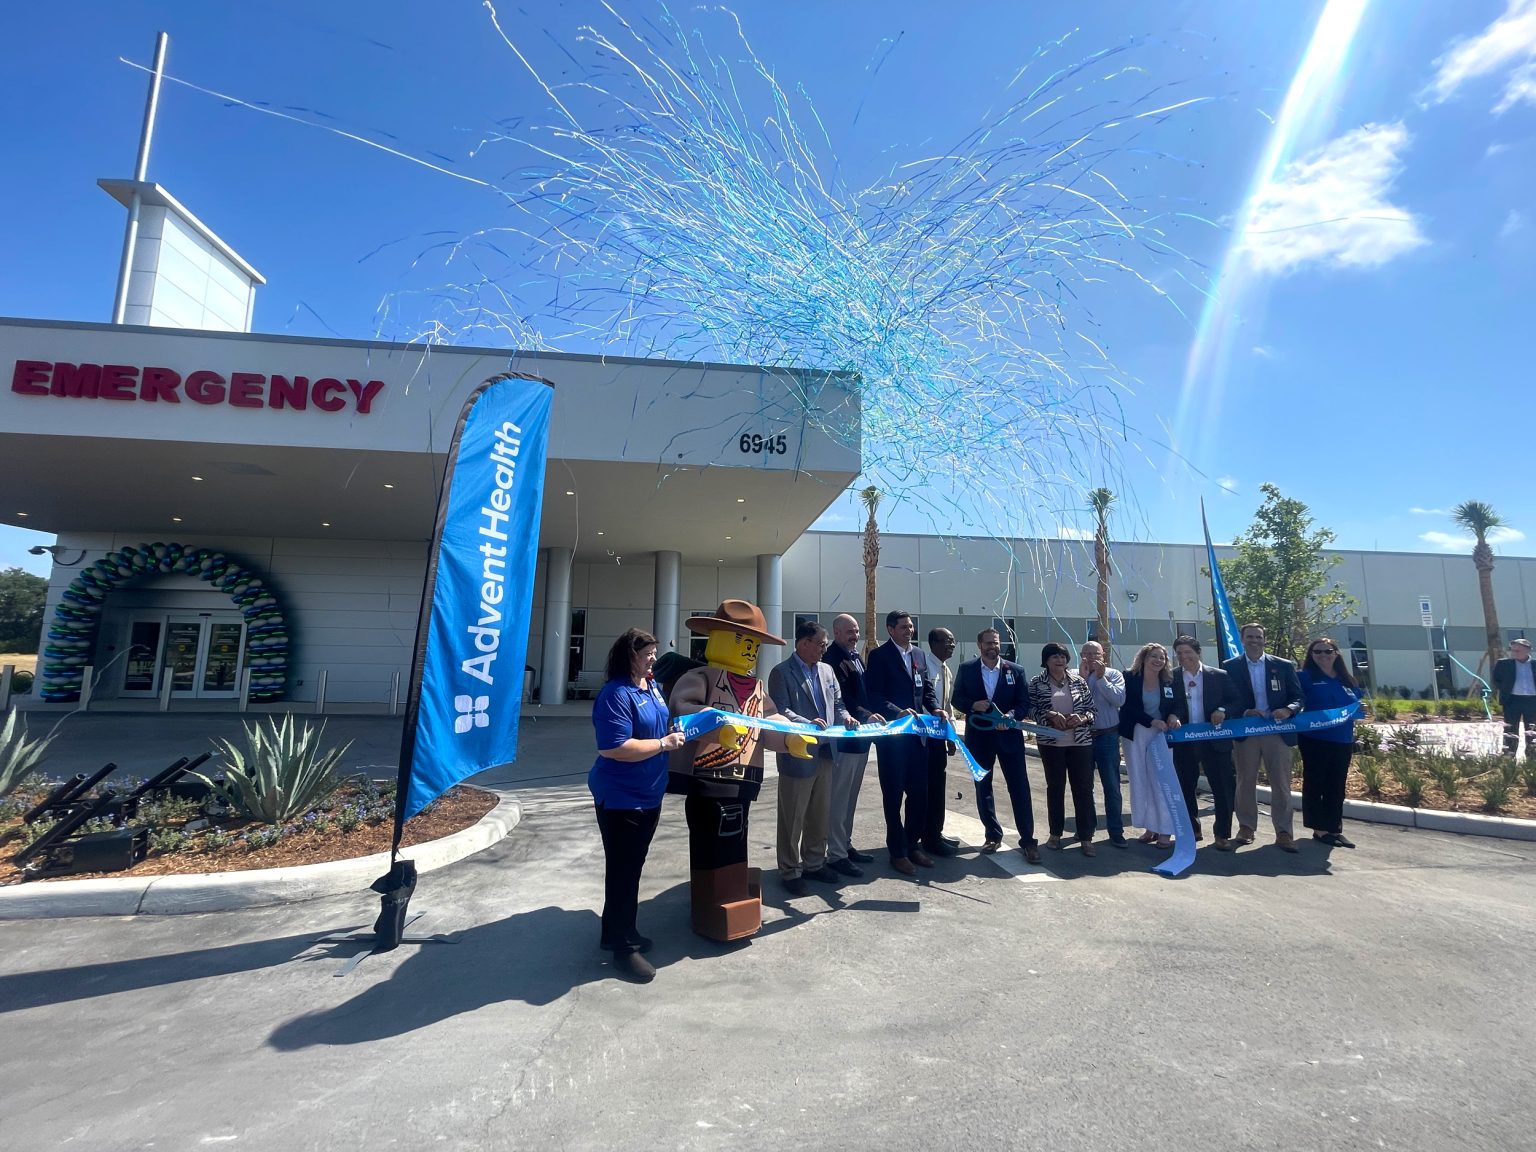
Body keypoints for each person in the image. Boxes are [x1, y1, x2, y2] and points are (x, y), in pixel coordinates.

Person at [667, 599, 815, 941]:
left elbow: (770, 720)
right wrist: (717, 727)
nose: (749, 650)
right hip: (707, 778)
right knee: (711, 841)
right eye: (741, 641)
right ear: (717, 638)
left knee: (736, 838)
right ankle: (710, 900)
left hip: (744, 778)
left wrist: (791, 740)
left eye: (753, 644)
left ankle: (732, 893)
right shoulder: (699, 677)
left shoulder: (758, 688)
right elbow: (682, 710)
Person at [589, 628, 687, 983]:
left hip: (649, 794)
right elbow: (613, 748)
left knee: (633, 866)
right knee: (623, 870)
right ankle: (620, 947)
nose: (654, 659)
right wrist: (663, 744)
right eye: (647, 653)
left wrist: (680, 729)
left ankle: (624, 930)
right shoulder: (615, 694)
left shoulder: (652, 687)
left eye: (655, 652)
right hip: (621, 798)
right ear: (629, 654)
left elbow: (661, 726)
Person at [767, 621, 855, 896]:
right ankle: (790, 870)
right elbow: (780, 710)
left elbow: (838, 704)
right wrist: (807, 723)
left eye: (825, 644)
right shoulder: (781, 672)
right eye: (820, 643)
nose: (824, 649)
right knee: (793, 815)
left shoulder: (828, 670)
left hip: (827, 751)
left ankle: (815, 863)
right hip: (798, 752)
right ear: (803, 643)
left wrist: (847, 718)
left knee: (819, 813)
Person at [951, 627, 1038, 862]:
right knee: (983, 787)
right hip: (979, 739)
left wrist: (1011, 716)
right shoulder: (967, 669)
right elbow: (956, 698)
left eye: (996, 642)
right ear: (979, 645)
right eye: (988, 643)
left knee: (1019, 787)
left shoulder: (1015, 670)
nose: (993, 646)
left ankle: (1028, 841)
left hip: (1009, 738)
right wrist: (972, 706)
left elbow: (1024, 702)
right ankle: (992, 834)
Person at [863, 609, 939, 875]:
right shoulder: (879, 656)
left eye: (911, 627)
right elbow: (875, 696)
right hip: (893, 741)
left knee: (919, 794)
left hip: (918, 738)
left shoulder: (918, 655)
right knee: (893, 796)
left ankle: (912, 844)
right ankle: (897, 852)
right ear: (890, 629)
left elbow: (926, 689)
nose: (909, 631)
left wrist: (936, 708)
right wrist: (897, 712)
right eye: (904, 627)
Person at [1222, 622, 1305, 853]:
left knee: (1281, 783)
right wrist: (1245, 712)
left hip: (1276, 732)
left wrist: (1288, 710)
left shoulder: (1283, 666)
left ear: (1264, 640)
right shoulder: (1230, 667)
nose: (1254, 640)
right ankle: (1246, 827)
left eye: (1258, 637)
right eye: (1250, 637)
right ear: (1242, 639)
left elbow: (1298, 697)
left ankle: (1284, 832)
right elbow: (1227, 699)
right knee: (1245, 781)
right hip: (1247, 732)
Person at [823, 613, 883, 877]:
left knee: (851, 797)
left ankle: (845, 845)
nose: (855, 635)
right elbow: (842, 699)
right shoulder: (832, 659)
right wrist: (864, 715)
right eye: (850, 631)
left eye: (857, 631)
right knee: (838, 798)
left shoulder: (856, 657)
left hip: (861, 739)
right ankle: (835, 853)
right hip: (845, 738)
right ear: (836, 632)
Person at [1027, 642, 1097, 855]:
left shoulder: (1078, 682)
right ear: (1046, 660)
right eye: (1054, 657)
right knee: (1055, 788)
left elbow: (1092, 710)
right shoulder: (1036, 682)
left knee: (1083, 789)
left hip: (1080, 742)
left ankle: (1086, 837)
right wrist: (1049, 715)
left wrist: (1082, 717)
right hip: (1051, 743)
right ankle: (1055, 834)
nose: (1060, 660)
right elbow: (1030, 708)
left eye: (1063, 656)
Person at [1167, 635, 1236, 849]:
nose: (1183, 657)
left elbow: (1236, 700)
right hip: (1185, 741)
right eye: (1179, 653)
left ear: (1198, 653)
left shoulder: (1219, 676)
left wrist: (1222, 711)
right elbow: (1168, 704)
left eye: (1188, 652)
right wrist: (1172, 715)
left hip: (1214, 740)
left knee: (1223, 787)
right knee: (1186, 786)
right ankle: (1191, 828)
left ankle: (1222, 834)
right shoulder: (1171, 678)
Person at [1298, 637, 1365, 849]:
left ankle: (1335, 828)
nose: (1323, 656)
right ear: (1311, 655)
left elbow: (1356, 705)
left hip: (1342, 739)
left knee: (1337, 785)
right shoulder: (1304, 677)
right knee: (1316, 782)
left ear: (1336, 654)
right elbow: (1295, 701)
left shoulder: (1347, 679)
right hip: (1315, 739)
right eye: (1317, 652)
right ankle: (1319, 828)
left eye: (1327, 651)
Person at [1119, 642, 1177, 849]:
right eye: (1154, 656)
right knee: (1140, 781)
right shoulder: (1129, 677)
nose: (1158, 661)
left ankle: (1165, 831)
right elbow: (1127, 707)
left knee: (1161, 782)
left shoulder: (1170, 680)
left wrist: (1173, 716)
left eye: (1162, 658)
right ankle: (1150, 827)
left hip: (1161, 734)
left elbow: (1177, 704)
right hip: (1136, 732)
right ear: (1143, 658)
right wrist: (1150, 721)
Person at [1080, 640, 1128, 847]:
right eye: (1087, 654)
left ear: (1103, 655)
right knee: (1084, 786)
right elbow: (1075, 703)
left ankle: (1116, 830)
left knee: (1112, 786)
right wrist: (1083, 679)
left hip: (1107, 736)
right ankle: (1086, 831)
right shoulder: (1074, 675)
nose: (1092, 658)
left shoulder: (1114, 674)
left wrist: (1100, 679)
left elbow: (1119, 701)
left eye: (1095, 654)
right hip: (1084, 737)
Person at [921, 627, 961, 856]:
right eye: (948, 641)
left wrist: (952, 736)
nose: (952, 645)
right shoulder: (924, 667)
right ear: (933, 644)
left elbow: (948, 707)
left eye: (953, 641)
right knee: (926, 789)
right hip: (926, 738)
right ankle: (928, 836)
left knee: (938, 786)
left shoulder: (945, 670)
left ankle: (936, 831)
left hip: (940, 738)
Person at [1494, 638, 1536, 759]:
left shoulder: (1534, 664)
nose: (1515, 652)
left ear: (1528, 651)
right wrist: (1505, 689)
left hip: (1532, 700)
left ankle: (1532, 758)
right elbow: (1496, 679)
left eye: (1518, 650)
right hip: (1512, 700)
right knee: (1510, 729)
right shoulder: (1504, 664)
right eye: (1513, 650)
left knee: (1532, 729)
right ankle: (1509, 756)